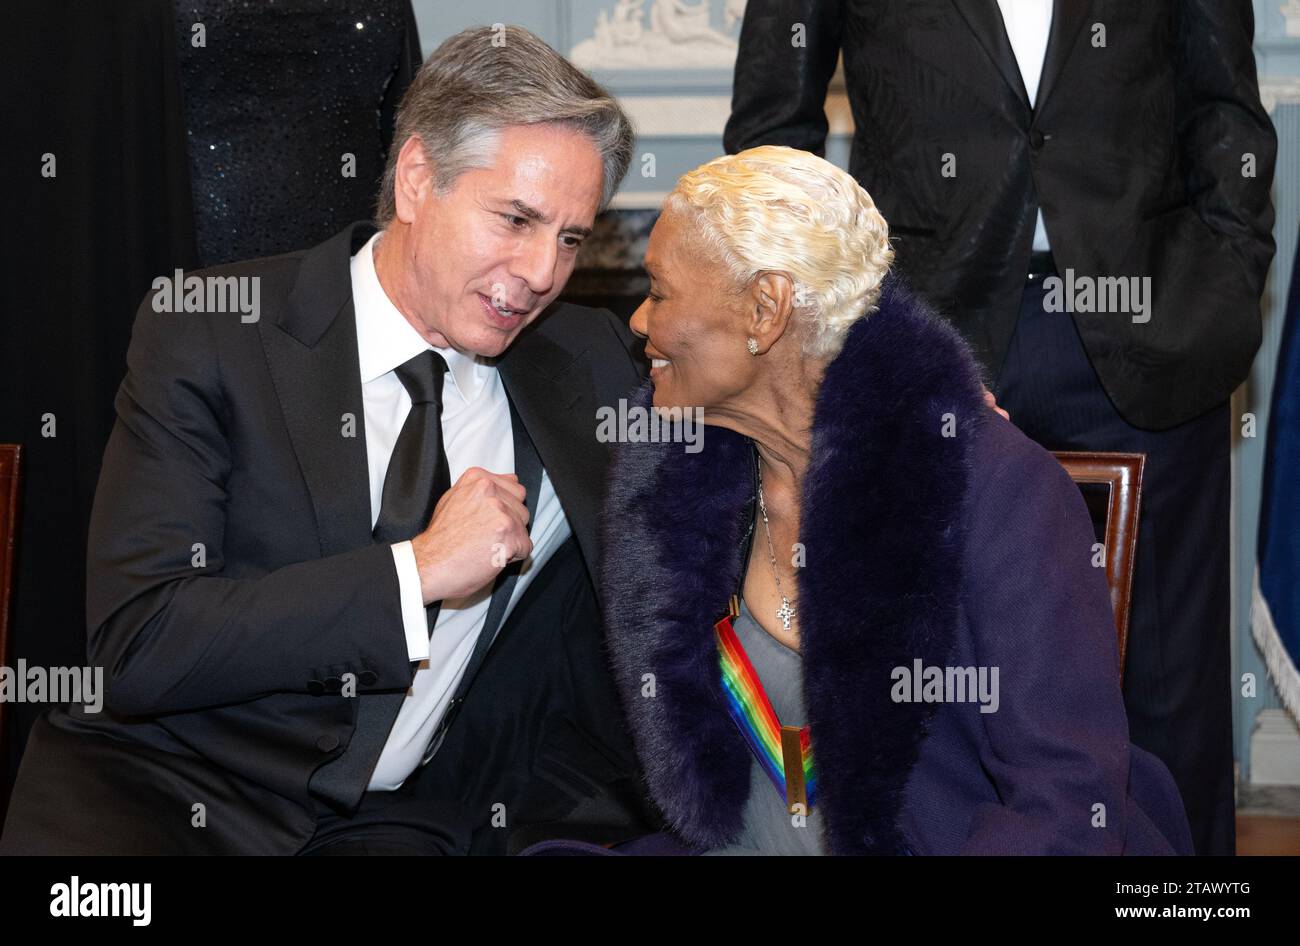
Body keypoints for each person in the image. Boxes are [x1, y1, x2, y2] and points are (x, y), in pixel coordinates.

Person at [0, 25, 653, 856]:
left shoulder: (584, 365)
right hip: (156, 794)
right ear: (417, 178)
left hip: (392, 825)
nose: (539, 273)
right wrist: (413, 573)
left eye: (569, 238)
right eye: (515, 218)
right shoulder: (213, 330)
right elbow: (139, 642)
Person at [722, 0, 1276, 855]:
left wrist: (1224, 284)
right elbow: (771, 137)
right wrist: (832, 331)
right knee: (927, 700)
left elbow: (1227, 107)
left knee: (1169, 701)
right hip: (917, 332)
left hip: (1152, 335)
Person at [597, 146, 1193, 854]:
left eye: (660, 292)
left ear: (765, 310)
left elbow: (1061, 801)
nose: (638, 320)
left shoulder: (996, 489)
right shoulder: (677, 479)